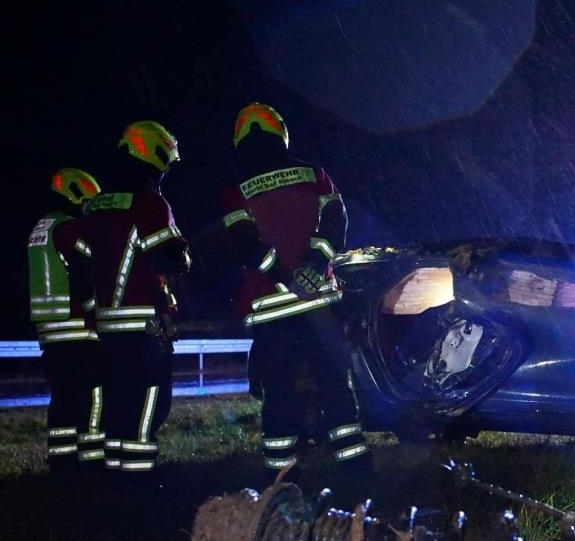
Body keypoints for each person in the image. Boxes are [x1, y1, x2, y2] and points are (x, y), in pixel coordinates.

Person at [221, 102, 370, 479]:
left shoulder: (235, 191)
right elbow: (336, 222)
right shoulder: (313, 174)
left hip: (271, 313)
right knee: (336, 386)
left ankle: (279, 480)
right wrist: (312, 267)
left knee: (279, 397)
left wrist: (282, 274)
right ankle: (355, 471)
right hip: (320, 304)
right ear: (280, 133)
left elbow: (243, 244)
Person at [84, 121, 190, 474]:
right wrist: (186, 254)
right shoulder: (149, 202)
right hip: (143, 324)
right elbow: (169, 257)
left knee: (117, 406)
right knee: (149, 406)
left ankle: (114, 473)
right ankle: (138, 480)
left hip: (106, 327)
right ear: (154, 153)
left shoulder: (95, 205)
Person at [28, 168, 106, 475]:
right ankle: (90, 460)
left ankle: (62, 462)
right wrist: (94, 310)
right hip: (77, 327)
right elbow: (85, 269)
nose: (88, 211)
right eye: (87, 203)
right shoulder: (70, 228)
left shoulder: (41, 228)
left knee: (62, 398)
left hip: (51, 330)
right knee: (93, 395)